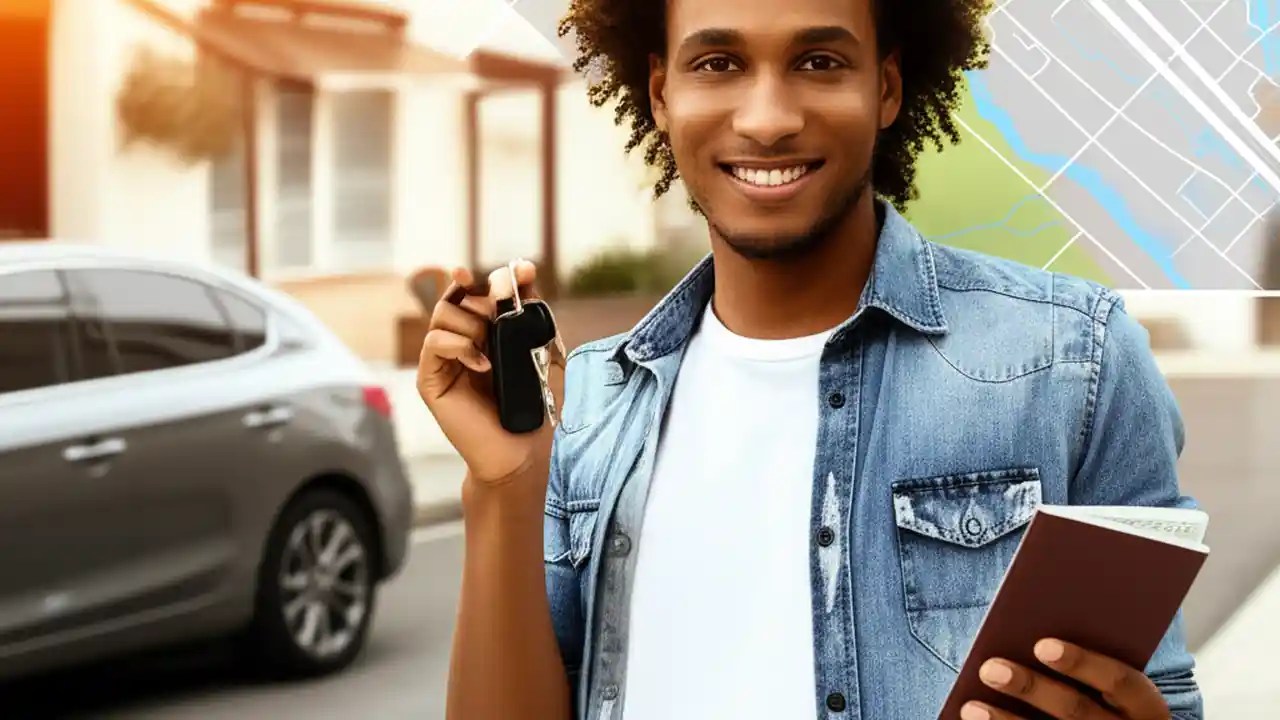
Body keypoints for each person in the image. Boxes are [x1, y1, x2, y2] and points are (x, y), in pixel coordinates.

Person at [418, 0, 1203, 717]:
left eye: (819, 62)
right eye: (717, 63)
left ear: (885, 88)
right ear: (661, 93)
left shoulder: (1073, 361)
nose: (767, 121)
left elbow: (1158, 699)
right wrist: (504, 486)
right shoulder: (585, 401)